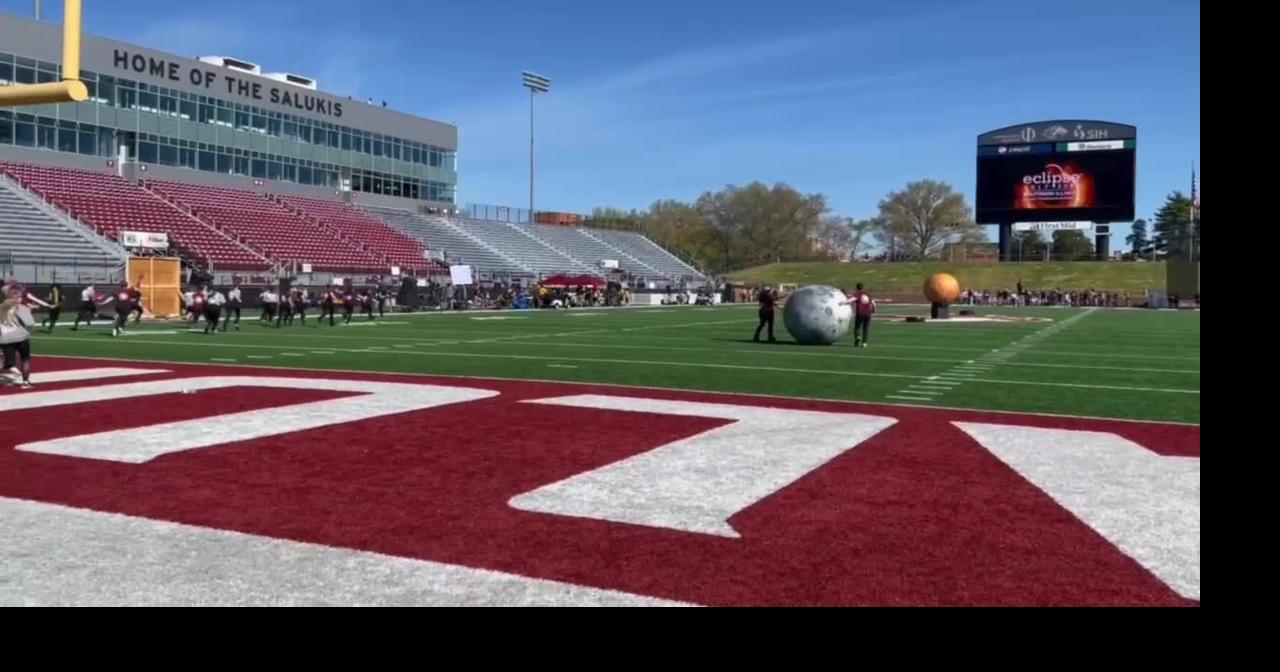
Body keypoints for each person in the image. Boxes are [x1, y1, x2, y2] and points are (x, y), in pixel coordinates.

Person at [0, 288, 35, 389]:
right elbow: (30, 323)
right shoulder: (21, 308)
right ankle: (26, 382)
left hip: (5, 338)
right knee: (25, 359)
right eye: (20, 297)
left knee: (9, 362)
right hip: (21, 336)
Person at [841, 283, 876, 347]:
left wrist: (843, 303)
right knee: (866, 328)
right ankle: (864, 343)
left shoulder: (857, 294)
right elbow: (873, 303)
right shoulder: (867, 294)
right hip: (868, 313)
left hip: (860, 313)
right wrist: (873, 310)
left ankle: (858, 337)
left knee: (857, 327)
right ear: (863, 288)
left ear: (857, 288)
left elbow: (851, 300)